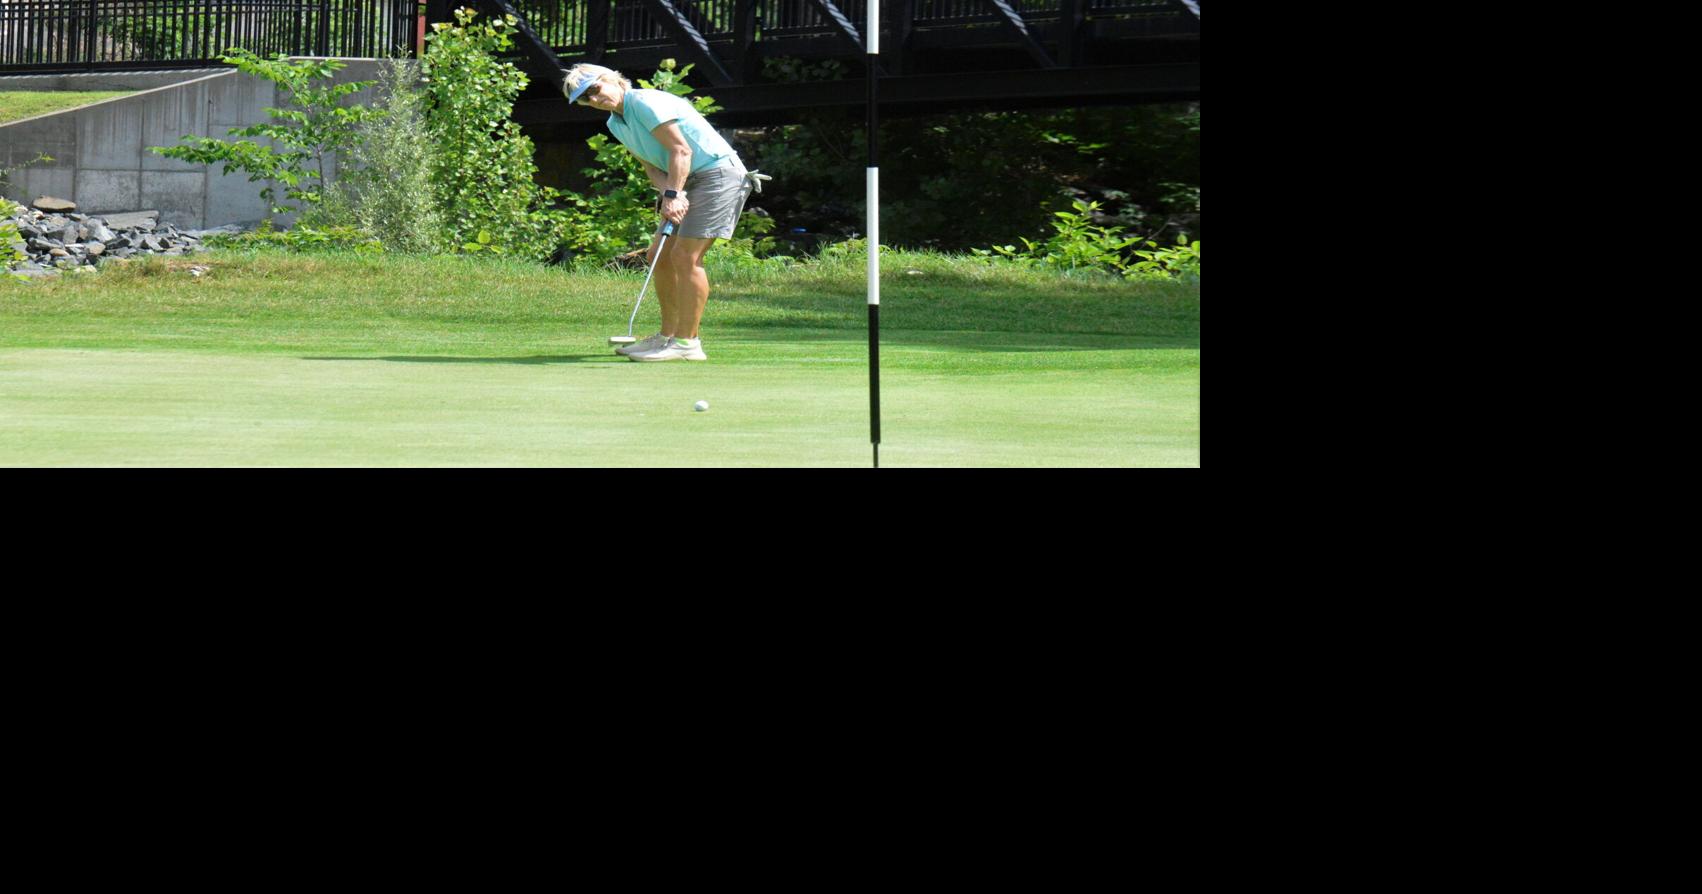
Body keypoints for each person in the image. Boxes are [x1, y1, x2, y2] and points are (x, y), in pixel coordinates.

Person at [563, 63, 764, 362]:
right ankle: (667, 336)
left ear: (611, 80)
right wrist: (671, 193)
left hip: (718, 175)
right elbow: (651, 166)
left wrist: (673, 194)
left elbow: (681, 150)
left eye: (594, 89)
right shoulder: (615, 123)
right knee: (657, 253)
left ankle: (687, 343)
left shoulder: (644, 102)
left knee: (686, 257)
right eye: (584, 98)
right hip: (685, 180)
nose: (593, 99)